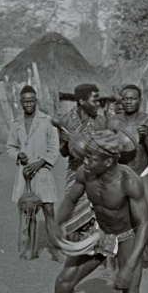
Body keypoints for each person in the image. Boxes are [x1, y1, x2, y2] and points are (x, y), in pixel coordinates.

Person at [30, 130, 148, 293]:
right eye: (85, 157)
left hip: (128, 237)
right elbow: (70, 201)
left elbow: (145, 225)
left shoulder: (129, 181)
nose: (85, 162)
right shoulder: (86, 174)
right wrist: (56, 223)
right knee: (64, 282)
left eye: (91, 158)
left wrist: (127, 266)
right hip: (102, 235)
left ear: (108, 161)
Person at [107, 84, 148, 281]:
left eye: (133, 98)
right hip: (121, 174)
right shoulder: (113, 122)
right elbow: (107, 153)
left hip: (143, 173)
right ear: (121, 100)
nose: (128, 101)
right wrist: (121, 142)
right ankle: (111, 264)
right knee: (114, 219)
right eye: (125, 98)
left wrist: (145, 137)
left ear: (140, 100)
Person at [6, 86, 60, 261]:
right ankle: (31, 248)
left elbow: (53, 148)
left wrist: (39, 163)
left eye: (31, 100)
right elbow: (10, 147)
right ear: (20, 102)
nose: (28, 104)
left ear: (36, 101)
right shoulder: (16, 124)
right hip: (25, 173)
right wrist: (18, 155)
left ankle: (56, 249)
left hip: (42, 172)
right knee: (29, 212)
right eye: (25, 101)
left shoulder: (47, 121)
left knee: (49, 210)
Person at [57, 83, 106, 239]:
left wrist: (86, 144)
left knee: (94, 218)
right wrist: (66, 142)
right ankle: (74, 256)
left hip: (95, 175)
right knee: (73, 218)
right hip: (74, 174)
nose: (98, 104)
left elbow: (105, 151)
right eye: (95, 100)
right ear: (82, 101)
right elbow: (64, 153)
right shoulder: (66, 121)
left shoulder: (100, 122)